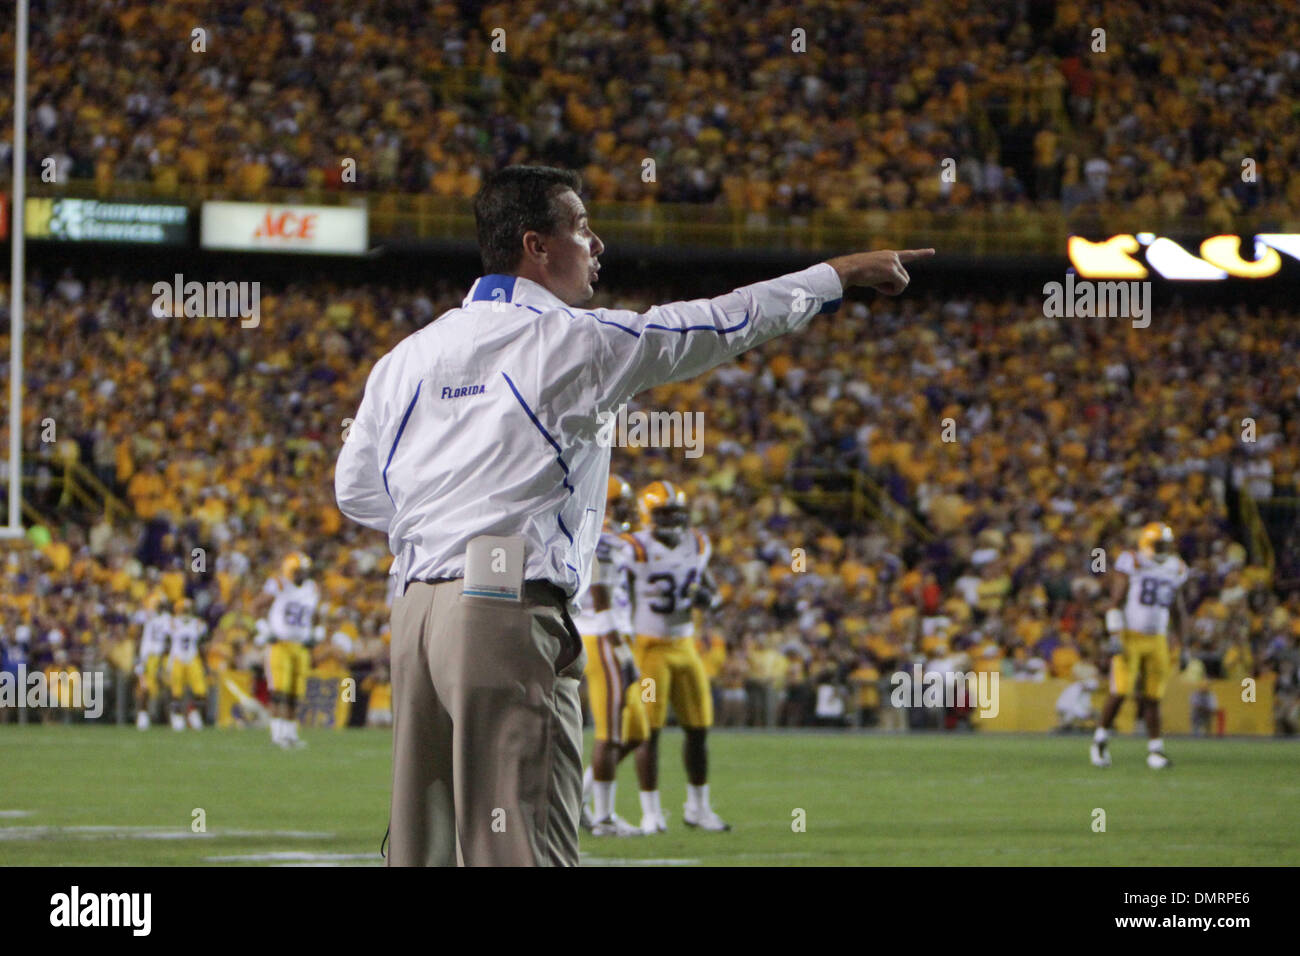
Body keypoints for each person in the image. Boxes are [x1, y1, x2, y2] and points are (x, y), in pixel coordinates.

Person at [335, 164, 932, 866]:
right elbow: (720, 321)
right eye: (582, 228)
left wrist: (446, 523)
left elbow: (354, 490)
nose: (597, 243)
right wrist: (838, 273)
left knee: (421, 846)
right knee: (518, 839)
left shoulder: (404, 358)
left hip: (414, 613)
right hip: (502, 604)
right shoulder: (575, 341)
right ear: (537, 246)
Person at [625, 480, 728, 832]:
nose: (671, 520)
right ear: (646, 515)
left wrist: (711, 600)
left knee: (699, 729)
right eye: (664, 513)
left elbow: (710, 588)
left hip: (685, 648)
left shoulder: (697, 542)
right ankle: (650, 813)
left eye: (676, 513)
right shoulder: (633, 547)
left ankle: (697, 808)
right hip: (650, 649)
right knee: (649, 732)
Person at [574, 475, 646, 837]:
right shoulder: (601, 538)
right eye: (624, 503)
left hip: (611, 635)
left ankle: (580, 801)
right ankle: (602, 819)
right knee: (610, 733)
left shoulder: (607, 535)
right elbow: (601, 595)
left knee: (634, 731)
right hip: (603, 637)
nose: (629, 510)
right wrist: (622, 651)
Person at [1091, 523, 1188, 769]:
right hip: (1130, 636)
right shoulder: (1132, 561)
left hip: (1157, 638)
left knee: (1153, 696)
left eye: (1166, 544)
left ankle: (1155, 750)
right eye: (1159, 544)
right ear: (1146, 543)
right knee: (1120, 691)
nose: (1163, 549)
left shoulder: (1175, 567)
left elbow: (1178, 609)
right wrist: (1114, 635)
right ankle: (1100, 739)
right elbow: (1115, 602)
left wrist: (1184, 644)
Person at [253, 551, 320, 749]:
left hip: (300, 647)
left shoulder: (313, 588)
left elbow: (314, 614)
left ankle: (290, 734)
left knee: (295, 693)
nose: (303, 575)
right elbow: (256, 606)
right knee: (279, 691)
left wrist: (316, 631)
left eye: (304, 571)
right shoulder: (279, 583)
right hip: (280, 644)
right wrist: (265, 629)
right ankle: (277, 734)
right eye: (299, 571)